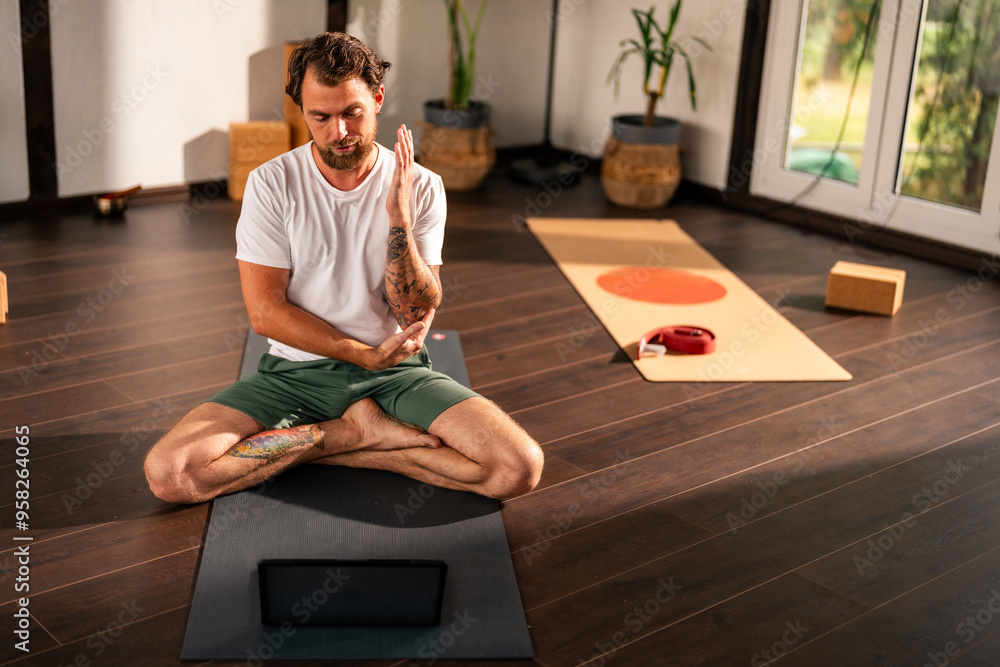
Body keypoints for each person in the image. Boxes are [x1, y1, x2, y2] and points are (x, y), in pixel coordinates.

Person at [144, 32, 543, 504]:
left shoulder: (421, 185)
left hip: (396, 372)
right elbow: (266, 313)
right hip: (292, 374)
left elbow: (415, 312)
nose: (339, 132)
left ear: (377, 99)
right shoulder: (271, 184)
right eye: (321, 116)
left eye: (352, 112)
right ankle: (350, 436)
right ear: (302, 111)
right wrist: (358, 355)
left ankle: (344, 441)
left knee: (517, 468)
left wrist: (399, 221)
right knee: (171, 475)